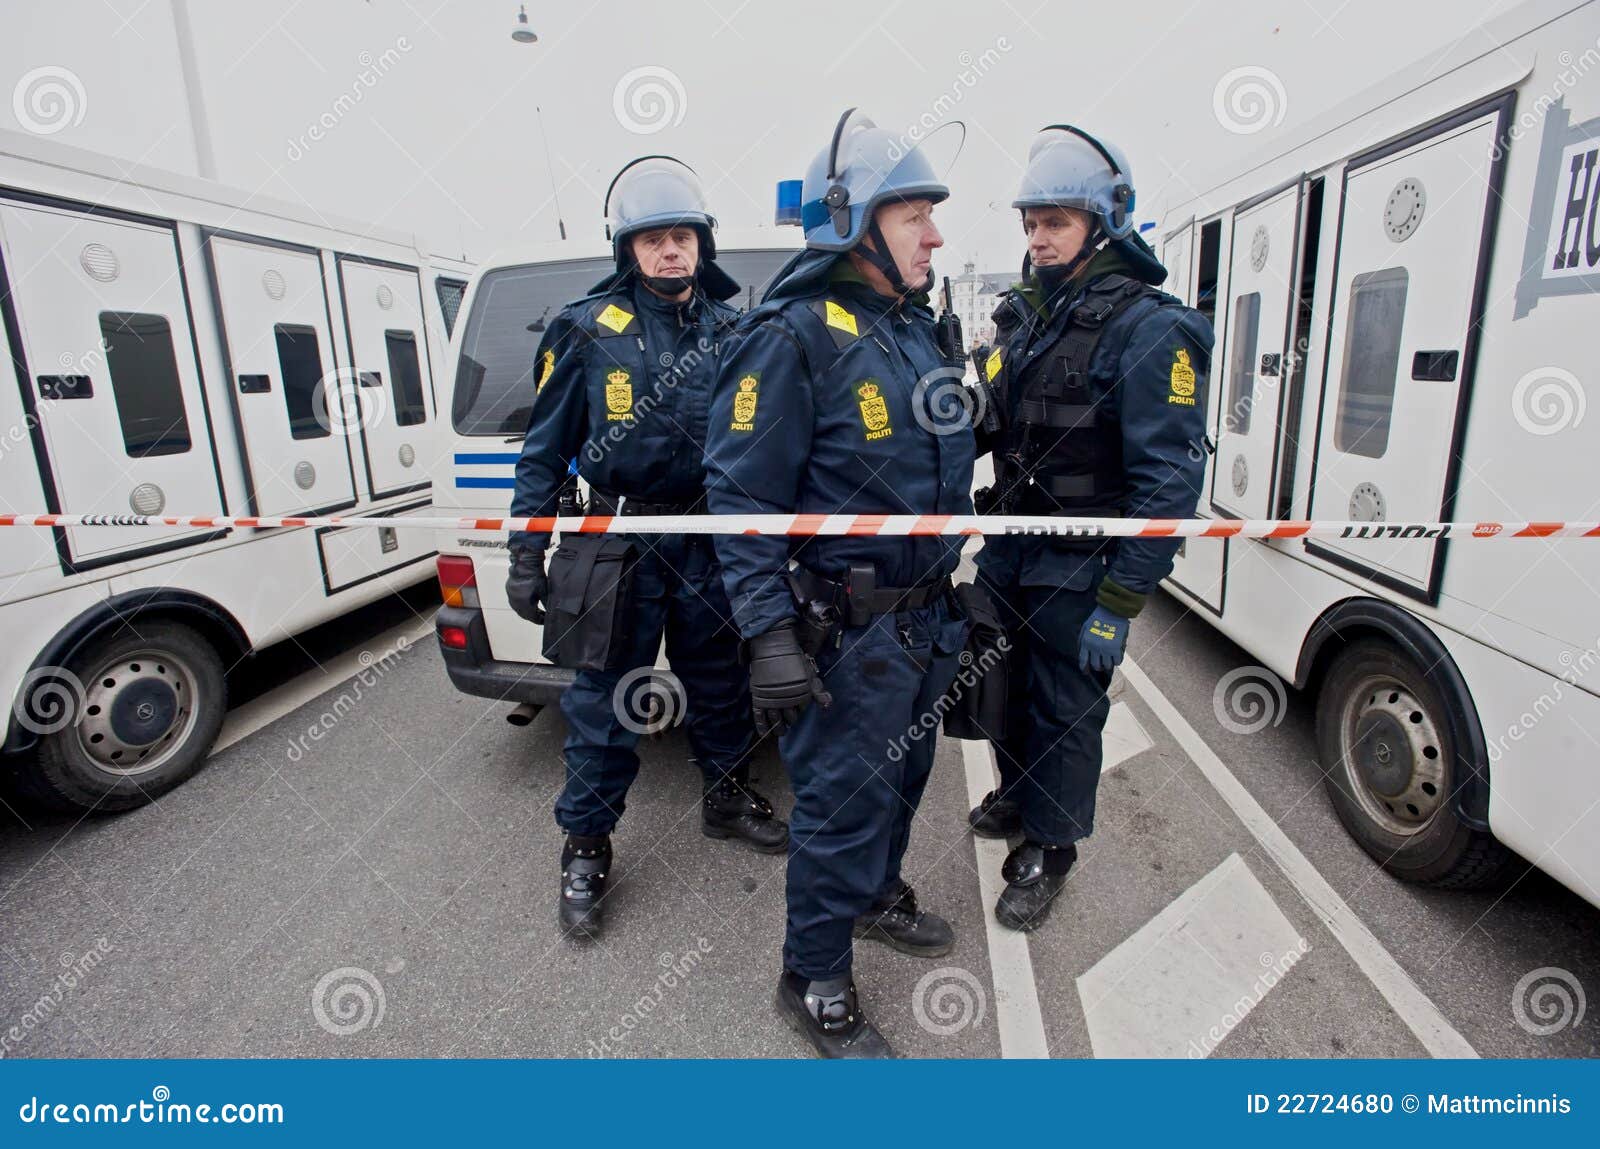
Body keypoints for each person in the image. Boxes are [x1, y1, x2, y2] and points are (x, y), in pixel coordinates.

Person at [703, 110, 974, 1058]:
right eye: (915, 217)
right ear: (855, 222)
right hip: (848, 630)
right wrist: (770, 634)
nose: (937, 233)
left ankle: (872, 896)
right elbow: (739, 498)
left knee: (903, 782)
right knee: (838, 804)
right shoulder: (791, 337)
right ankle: (812, 975)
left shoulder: (911, 332)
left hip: (923, 622)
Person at [504, 156, 788, 941]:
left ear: (703, 245)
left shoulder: (738, 330)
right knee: (602, 706)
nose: (671, 251)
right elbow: (542, 453)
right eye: (654, 239)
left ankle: (726, 796)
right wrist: (528, 551)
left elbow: (767, 444)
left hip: (709, 539)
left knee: (723, 685)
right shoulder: (585, 328)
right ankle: (586, 847)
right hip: (617, 542)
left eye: (683, 236)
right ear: (628, 250)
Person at [968, 124, 1211, 931]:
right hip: (1011, 548)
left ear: (1103, 222)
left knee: (1065, 708)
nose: (1037, 237)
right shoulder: (1027, 316)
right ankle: (1017, 792)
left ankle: (1053, 846)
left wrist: (1123, 598)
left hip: (1080, 563)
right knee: (998, 690)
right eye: (1030, 222)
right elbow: (998, 419)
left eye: (1055, 222)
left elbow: (1168, 480)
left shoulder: (1149, 327)